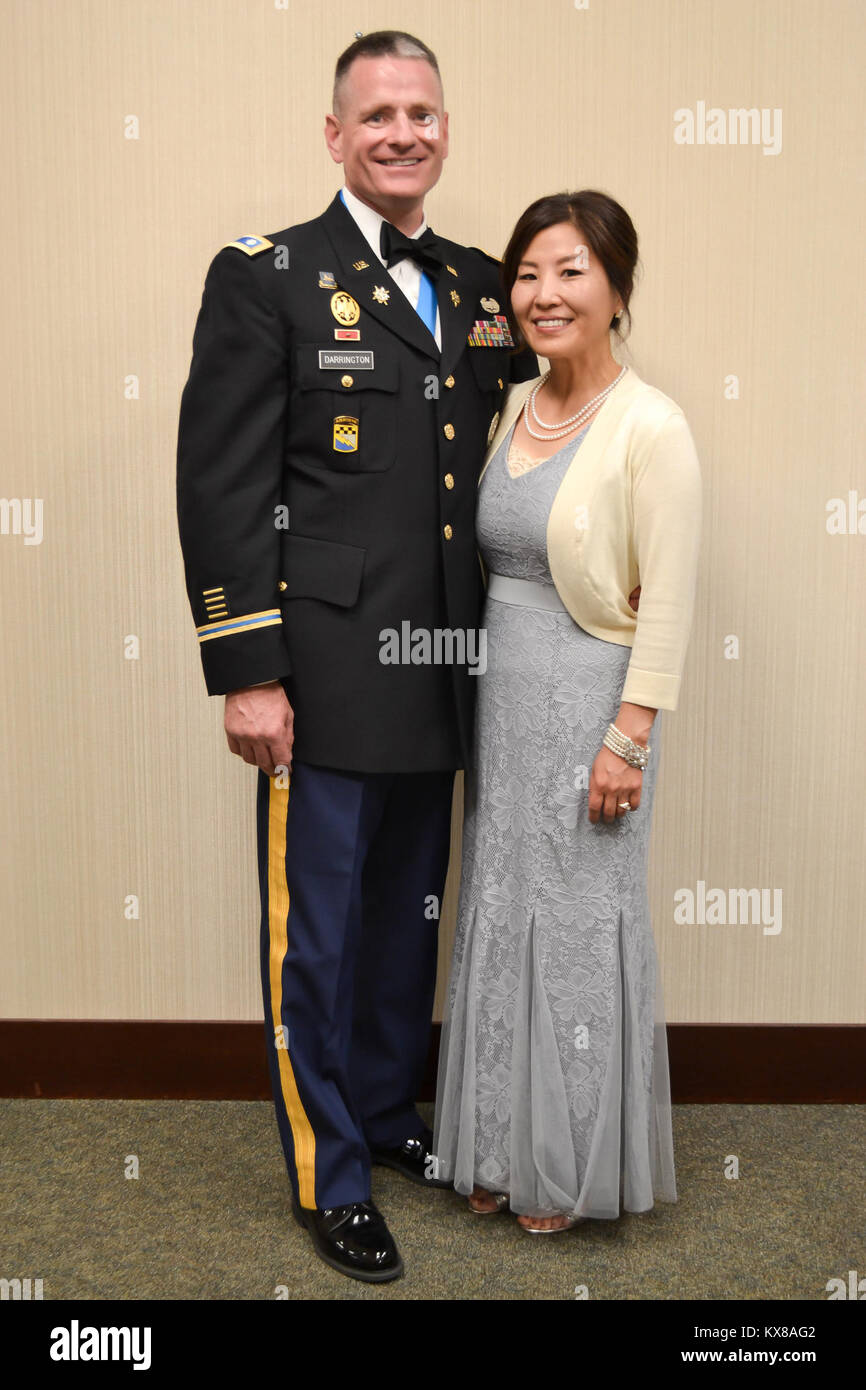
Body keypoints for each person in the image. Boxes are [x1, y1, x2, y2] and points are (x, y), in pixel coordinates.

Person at [175, 31, 538, 1283]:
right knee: (316, 934)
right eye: (375, 114)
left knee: (403, 922)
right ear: (334, 135)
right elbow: (221, 483)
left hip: (443, 665)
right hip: (321, 673)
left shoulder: (480, 285)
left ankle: (384, 1116)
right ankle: (328, 1175)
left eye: (422, 113)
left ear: (445, 130)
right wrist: (246, 669)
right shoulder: (268, 275)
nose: (401, 133)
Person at [433, 191, 702, 1232]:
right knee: (501, 908)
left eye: (570, 271)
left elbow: (667, 602)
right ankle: (496, 1142)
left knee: (580, 922)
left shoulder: (652, 425)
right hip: (500, 706)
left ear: (617, 290)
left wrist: (626, 739)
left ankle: (569, 1166)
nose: (544, 294)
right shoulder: (513, 405)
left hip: (592, 703)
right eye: (528, 273)